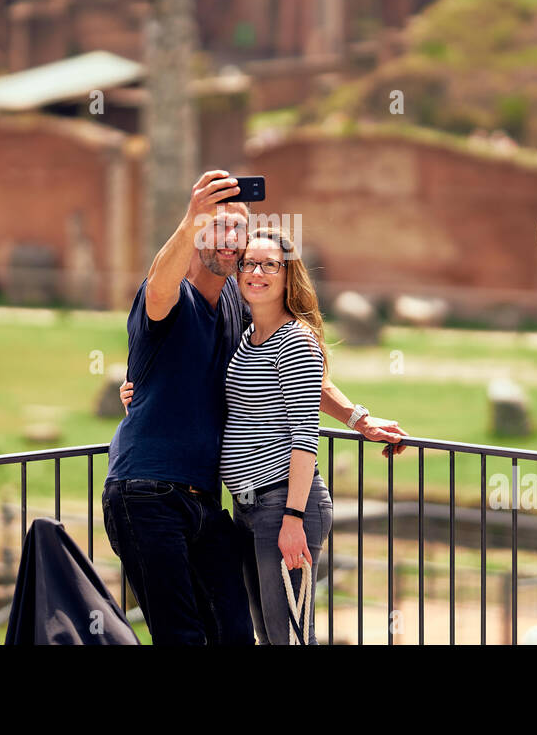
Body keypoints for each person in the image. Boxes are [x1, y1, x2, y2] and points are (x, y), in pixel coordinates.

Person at [102, 170, 405, 645]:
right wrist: (191, 218)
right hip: (147, 494)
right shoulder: (167, 294)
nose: (229, 238)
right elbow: (160, 282)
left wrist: (356, 418)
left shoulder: (238, 307)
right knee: (183, 635)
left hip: (215, 502)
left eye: (238, 228)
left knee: (240, 633)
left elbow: (302, 381)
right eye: (216, 225)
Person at [221, 225, 332, 644]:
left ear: (288, 275)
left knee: (291, 637)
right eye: (249, 263)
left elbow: (305, 438)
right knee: (269, 637)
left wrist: (293, 519)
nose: (257, 272)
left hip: (282, 507)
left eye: (270, 264)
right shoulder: (248, 337)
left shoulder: (295, 341)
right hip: (247, 508)